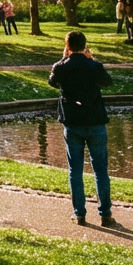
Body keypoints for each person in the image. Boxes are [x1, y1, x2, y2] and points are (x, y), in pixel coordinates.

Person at [48, 30, 117, 227]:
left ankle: (79, 213)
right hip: (95, 121)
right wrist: (92, 59)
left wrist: (63, 59)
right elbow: (107, 81)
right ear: (84, 46)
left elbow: (52, 82)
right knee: (100, 170)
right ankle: (105, 213)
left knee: (75, 170)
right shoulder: (93, 66)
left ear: (67, 45)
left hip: (73, 122)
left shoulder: (61, 67)